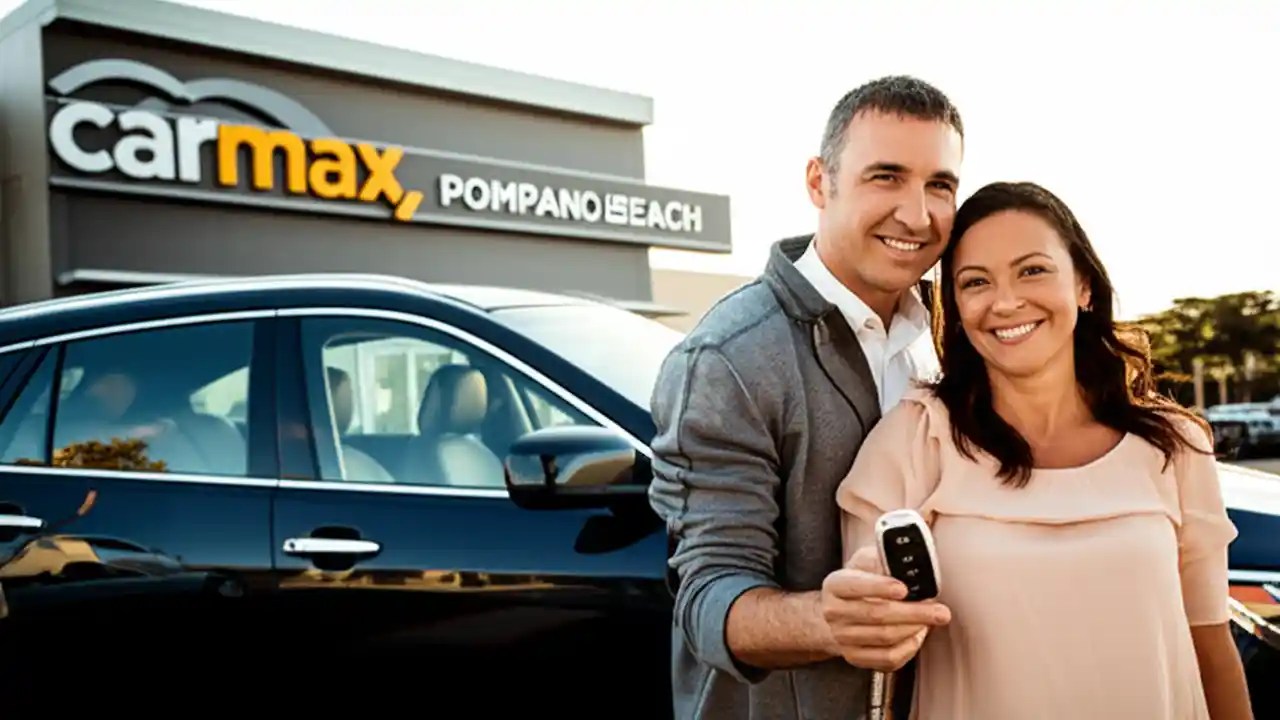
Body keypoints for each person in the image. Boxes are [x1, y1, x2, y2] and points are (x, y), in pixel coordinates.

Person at [836, 181, 1255, 719]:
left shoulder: (1173, 445)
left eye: (1032, 270)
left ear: (1083, 285)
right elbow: (866, 645)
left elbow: (1212, 648)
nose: (1006, 302)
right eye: (975, 282)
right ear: (956, 306)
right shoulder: (914, 439)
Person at [647, 75, 964, 719]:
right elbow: (707, 598)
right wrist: (827, 621)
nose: (917, 214)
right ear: (820, 182)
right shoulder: (727, 358)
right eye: (886, 177)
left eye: (939, 184)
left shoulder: (955, 331)